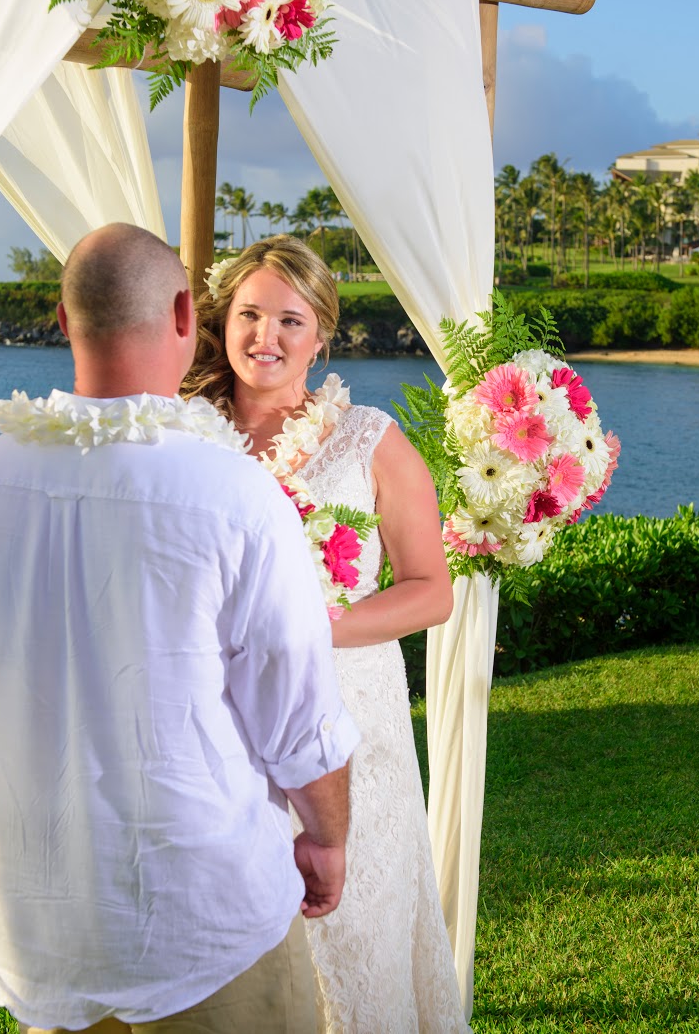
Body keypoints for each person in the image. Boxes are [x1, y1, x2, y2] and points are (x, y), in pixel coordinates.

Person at [0, 223, 361, 1034]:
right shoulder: (234, 493)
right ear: (183, 315)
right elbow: (299, 720)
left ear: (63, 321)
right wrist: (327, 841)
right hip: (202, 928)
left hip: (36, 926)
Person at [182, 235, 464, 1033]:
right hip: (218, 734)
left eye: (288, 320)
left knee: (354, 952)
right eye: (248, 314)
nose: (264, 336)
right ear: (221, 320)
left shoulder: (370, 439)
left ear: (322, 335)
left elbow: (430, 591)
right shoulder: (182, 438)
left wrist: (316, 627)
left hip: (352, 731)